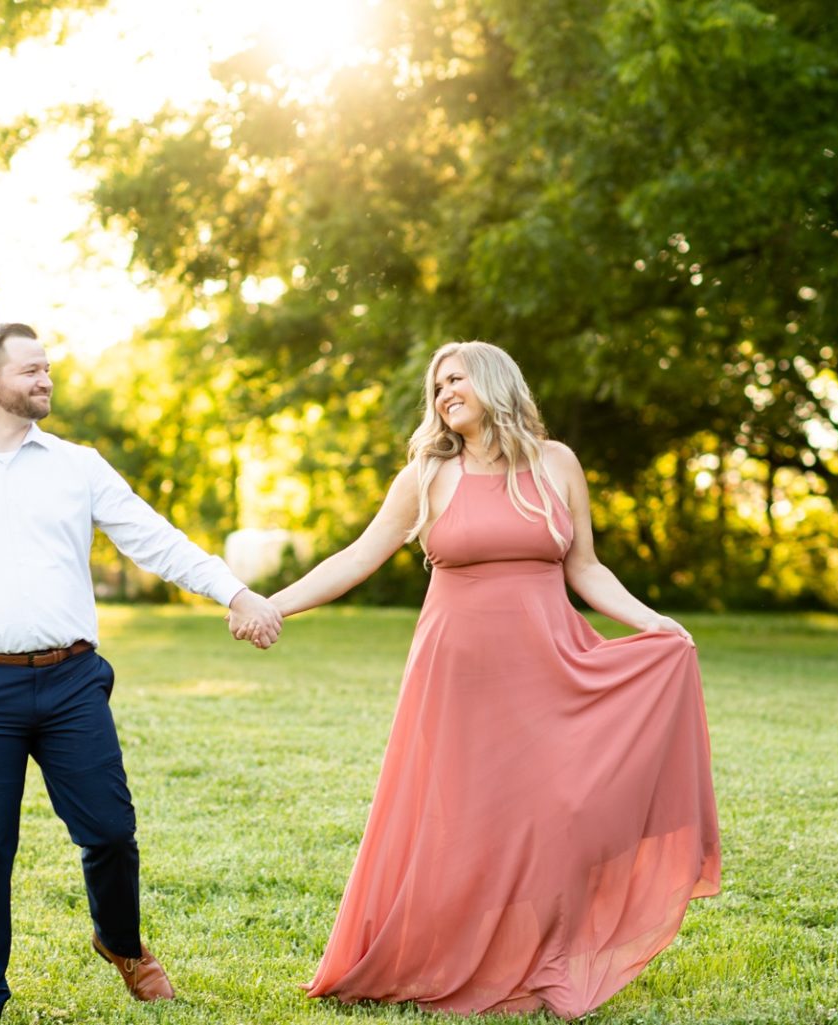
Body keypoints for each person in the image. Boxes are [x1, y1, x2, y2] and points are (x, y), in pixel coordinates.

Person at [248, 340, 721, 1018]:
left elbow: (585, 568)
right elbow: (358, 556)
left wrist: (655, 622)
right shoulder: (428, 473)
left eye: (455, 378)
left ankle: (543, 958)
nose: (443, 393)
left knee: (557, 813)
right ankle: (477, 961)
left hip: (551, 665)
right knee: (470, 818)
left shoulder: (556, 465)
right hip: (457, 676)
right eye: (437, 385)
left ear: (495, 382)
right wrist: (274, 603)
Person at [0, 322, 282, 1022]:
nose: (45, 379)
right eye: (30, 370)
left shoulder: (78, 465)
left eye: (47, 368)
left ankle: (120, 941)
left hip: (72, 681)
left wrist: (234, 590)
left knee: (108, 829)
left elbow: (154, 539)